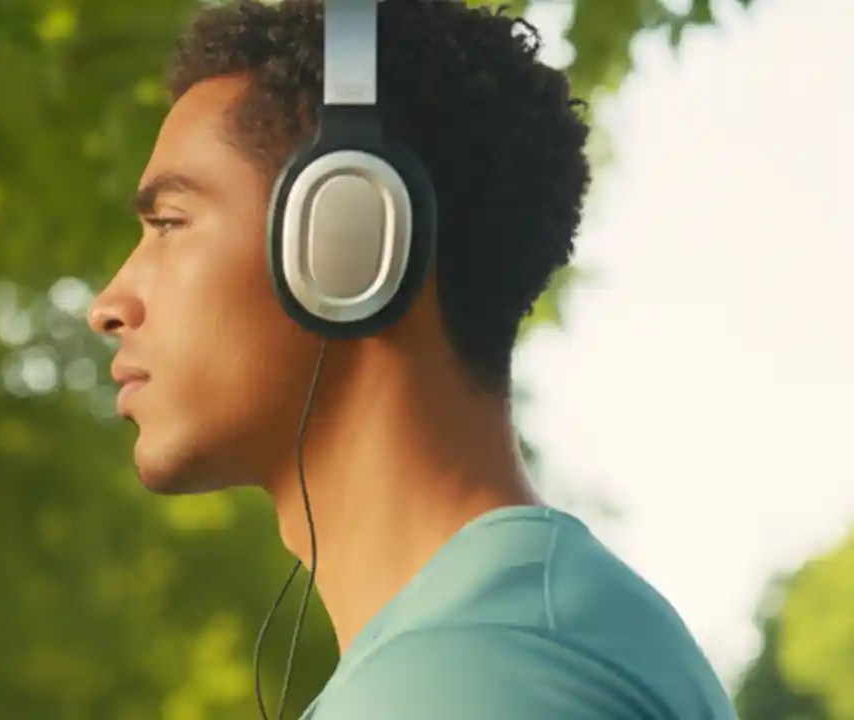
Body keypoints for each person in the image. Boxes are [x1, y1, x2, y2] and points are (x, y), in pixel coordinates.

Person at [86, 0, 736, 717]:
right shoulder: (530, 637)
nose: (109, 304)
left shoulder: (473, 678)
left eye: (170, 224)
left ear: (346, 239)